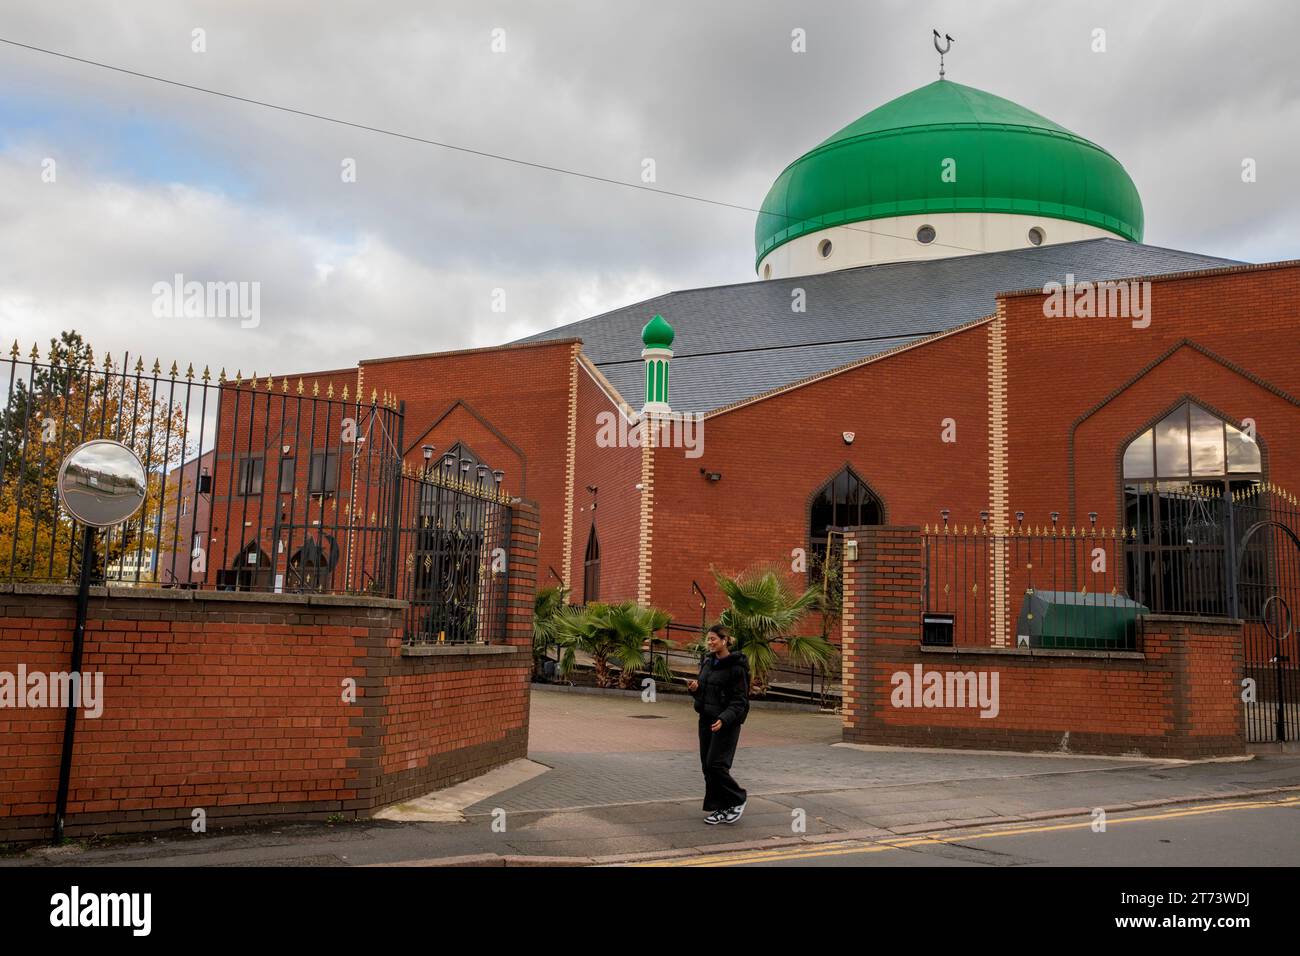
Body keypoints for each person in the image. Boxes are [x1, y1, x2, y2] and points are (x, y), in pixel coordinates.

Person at [686, 623, 749, 824]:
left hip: (725, 723)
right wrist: (695, 689)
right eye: (708, 639)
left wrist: (724, 718)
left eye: (713, 639)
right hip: (705, 720)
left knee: (716, 765)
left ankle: (738, 799)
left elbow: (740, 702)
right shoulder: (707, 662)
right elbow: (705, 691)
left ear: (724, 640)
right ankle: (720, 808)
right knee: (707, 766)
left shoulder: (736, 667)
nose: (710, 642)